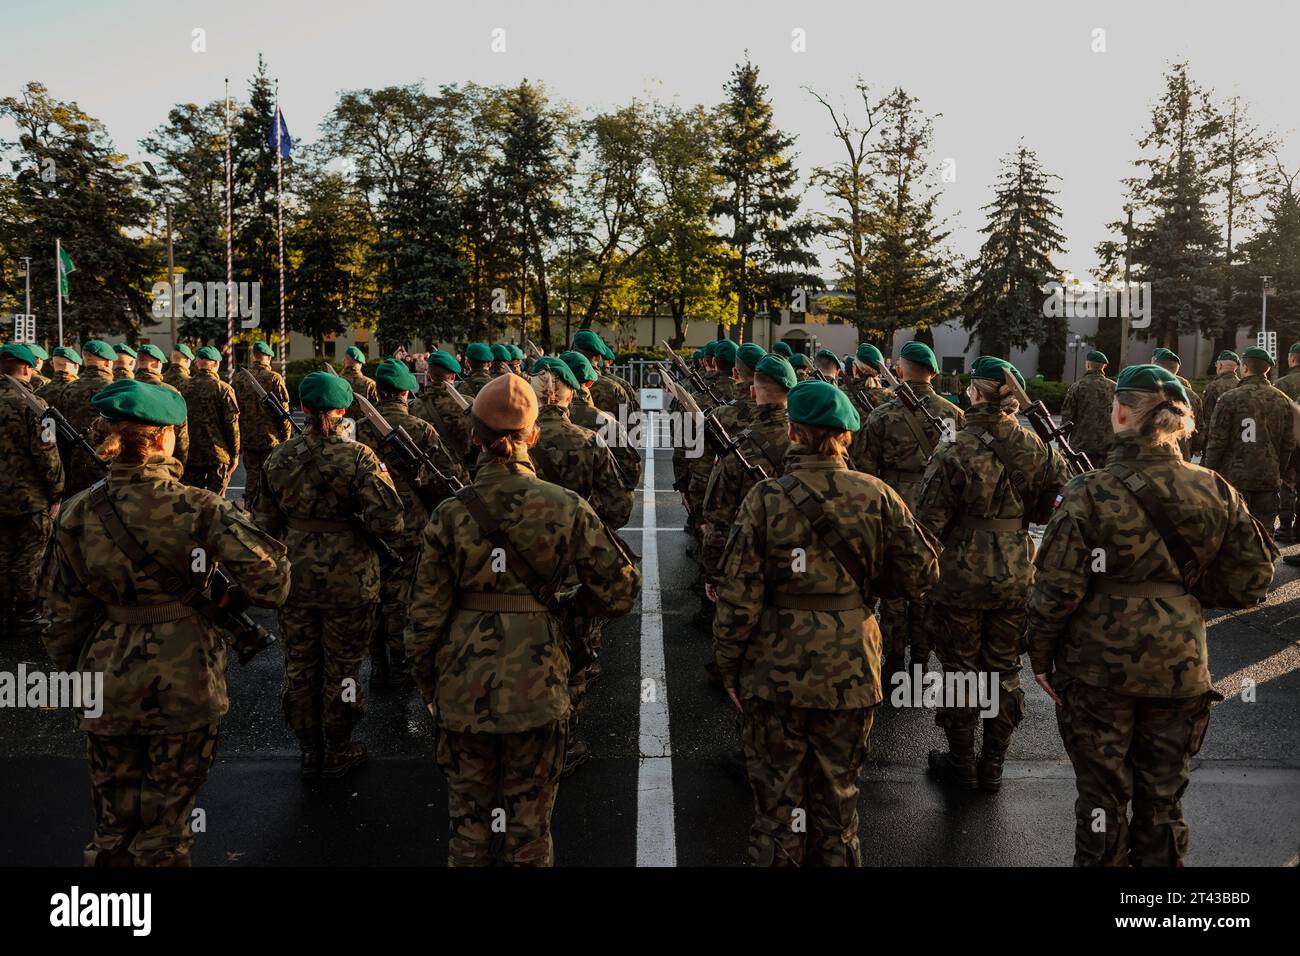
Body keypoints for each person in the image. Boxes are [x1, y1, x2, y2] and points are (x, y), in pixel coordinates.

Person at [1027, 364, 1276, 866]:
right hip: (1181, 666)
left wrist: (1040, 655)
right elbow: (1252, 580)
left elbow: (1055, 590)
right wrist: (1183, 594)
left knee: (1101, 800)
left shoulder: (1088, 491)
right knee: (1162, 801)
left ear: (1120, 411)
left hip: (1097, 670)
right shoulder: (1215, 488)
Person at [43, 378, 290, 866]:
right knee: (167, 829)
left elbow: (59, 617)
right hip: (185, 678)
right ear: (161, 438)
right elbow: (273, 583)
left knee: (113, 826)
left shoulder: (76, 511)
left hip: (106, 678)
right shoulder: (200, 507)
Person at [405, 373, 640, 865]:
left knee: (469, 831)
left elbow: (423, 617)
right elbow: (620, 590)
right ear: (532, 435)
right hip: (538, 682)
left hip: (463, 684)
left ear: (475, 436)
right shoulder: (565, 507)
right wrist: (566, 610)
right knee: (529, 831)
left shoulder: (450, 514)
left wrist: (430, 685)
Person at [713, 380, 940, 866]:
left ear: (793, 431)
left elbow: (738, 595)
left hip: (775, 669)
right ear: (847, 436)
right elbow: (922, 574)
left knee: (777, 810)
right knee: (838, 807)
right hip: (851, 666)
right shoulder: (877, 495)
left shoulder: (765, 498)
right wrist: (868, 588)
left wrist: (729, 666)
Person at [913, 357, 1070, 791]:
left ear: (976, 393)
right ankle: (994, 764)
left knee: (962, 670)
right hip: (1017, 571)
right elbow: (1052, 509)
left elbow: (928, 524)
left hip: (960, 576)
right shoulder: (1037, 447)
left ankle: (961, 761)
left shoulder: (954, 447)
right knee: (1003, 670)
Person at [251, 372, 404, 778]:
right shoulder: (360, 457)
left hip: (295, 578)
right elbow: (391, 523)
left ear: (302, 408)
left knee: (300, 665)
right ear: (343, 411)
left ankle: (308, 747)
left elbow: (262, 523)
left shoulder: (279, 457)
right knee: (344, 668)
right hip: (351, 581)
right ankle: (337, 745)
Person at [851, 341, 964, 683]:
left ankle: (894, 660)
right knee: (927, 583)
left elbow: (864, 471)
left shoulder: (883, 414)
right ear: (934, 373)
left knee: (894, 585)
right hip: (936, 510)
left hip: (893, 504)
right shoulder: (952, 415)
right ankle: (920, 660)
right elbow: (959, 468)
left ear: (900, 370)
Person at [355, 359, 465, 687]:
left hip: (370, 522)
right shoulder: (420, 428)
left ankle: (377, 664)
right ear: (406, 390)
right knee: (403, 597)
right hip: (411, 524)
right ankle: (401, 665)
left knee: (374, 592)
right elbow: (449, 474)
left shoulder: (360, 427)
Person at [0, 344, 64, 637]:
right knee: (29, 553)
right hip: (28, 497)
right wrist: (57, 492)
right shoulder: (35, 405)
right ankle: (25, 611)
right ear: (26, 368)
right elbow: (47, 454)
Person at [1202, 346, 1295, 540]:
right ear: (1267, 369)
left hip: (1234, 477)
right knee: (1264, 533)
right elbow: (1288, 443)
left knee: (1234, 532)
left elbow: (1216, 442)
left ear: (1244, 367)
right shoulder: (1282, 400)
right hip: (1267, 476)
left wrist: (1210, 472)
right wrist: (1279, 470)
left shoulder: (1229, 398)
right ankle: (1263, 569)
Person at [559, 350, 643, 496]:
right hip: (597, 505)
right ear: (590, 382)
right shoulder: (609, 419)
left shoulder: (534, 422)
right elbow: (631, 472)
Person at [50, 340, 116, 499]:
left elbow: (59, 431)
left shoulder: (69, 389)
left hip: (76, 464)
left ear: (84, 360)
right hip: (108, 463)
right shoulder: (115, 388)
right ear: (108, 362)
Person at [232, 340, 291, 508]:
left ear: (253, 356)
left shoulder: (239, 378)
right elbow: (283, 412)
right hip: (270, 438)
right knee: (271, 476)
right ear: (269, 358)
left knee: (251, 474)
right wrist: (285, 438)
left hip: (248, 437)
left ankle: (249, 508)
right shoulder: (274, 378)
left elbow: (234, 410)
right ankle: (268, 511)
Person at [181, 346, 240, 495]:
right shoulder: (223, 389)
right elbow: (231, 424)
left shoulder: (183, 387)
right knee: (217, 504)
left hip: (191, 454)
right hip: (218, 454)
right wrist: (235, 454)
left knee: (193, 503)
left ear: (197, 363)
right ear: (216, 364)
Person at [411, 349, 475, 469]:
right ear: (453, 375)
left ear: (429, 375)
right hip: (462, 470)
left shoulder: (414, 406)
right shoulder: (468, 404)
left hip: (428, 471)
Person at [131, 344, 189, 467]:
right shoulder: (169, 392)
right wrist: (180, 462)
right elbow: (180, 432)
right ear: (157, 364)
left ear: (137, 363)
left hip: (127, 460)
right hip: (159, 459)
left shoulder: (124, 388)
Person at [1060, 349, 1115, 467]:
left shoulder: (1077, 387)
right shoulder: (1114, 387)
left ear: (1088, 364)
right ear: (1103, 367)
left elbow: (1067, 417)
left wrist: (1062, 444)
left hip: (1081, 448)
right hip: (1107, 449)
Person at [1272, 344, 1300, 543]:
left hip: (1291, 442)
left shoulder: (1281, 385)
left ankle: (1285, 526)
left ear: (1291, 358)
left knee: (1288, 484)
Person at [1151, 348, 1201, 458]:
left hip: (1150, 454)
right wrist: (1197, 447)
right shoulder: (1193, 396)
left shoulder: (1146, 390)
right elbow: (1198, 426)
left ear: (1155, 366)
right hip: (1180, 454)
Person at [1193, 350, 1241, 458]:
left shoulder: (1213, 387)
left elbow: (1206, 419)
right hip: (1239, 442)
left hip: (1216, 443)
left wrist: (1198, 445)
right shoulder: (1242, 386)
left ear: (1220, 365)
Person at [340, 345, 378, 422]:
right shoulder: (369, 384)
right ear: (360, 364)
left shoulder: (336, 381)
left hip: (341, 428)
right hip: (363, 429)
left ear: (345, 361)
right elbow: (377, 410)